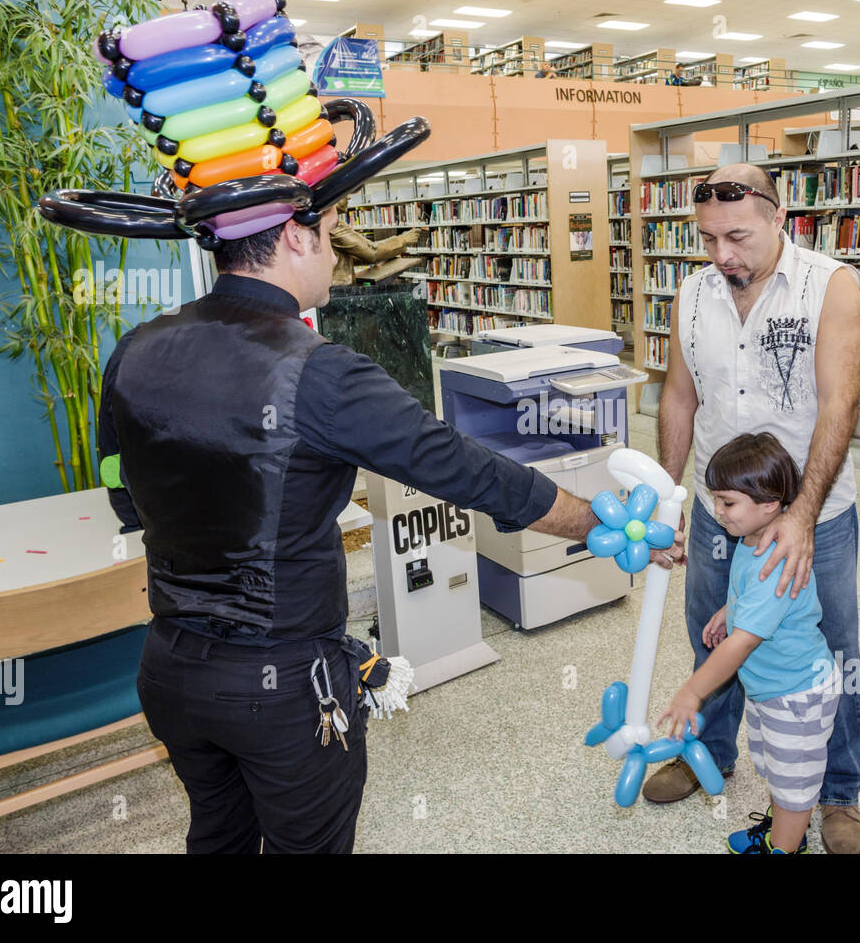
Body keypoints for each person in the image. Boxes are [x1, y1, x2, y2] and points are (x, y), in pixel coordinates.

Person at [99, 207, 662, 853]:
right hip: (282, 688)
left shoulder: (135, 349)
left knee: (219, 834)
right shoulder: (320, 374)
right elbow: (464, 469)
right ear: (293, 237)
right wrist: (592, 519)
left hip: (172, 673)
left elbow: (123, 499)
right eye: (330, 235)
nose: (337, 254)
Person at [648, 163, 860, 855]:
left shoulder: (830, 285)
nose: (723, 255)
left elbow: (842, 401)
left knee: (830, 645)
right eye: (709, 239)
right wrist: (667, 496)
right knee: (713, 630)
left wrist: (801, 515)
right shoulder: (693, 292)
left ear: (780, 218)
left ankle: (838, 787)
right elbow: (681, 398)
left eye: (738, 237)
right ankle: (707, 750)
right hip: (723, 510)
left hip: (814, 508)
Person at [660, 432, 839, 855]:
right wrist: (730, 610)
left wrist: (692, 692)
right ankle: (781, 834)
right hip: (772, 687)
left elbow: (741, 645)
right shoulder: (751, 538)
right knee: (779, 771)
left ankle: (785, 849)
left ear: (769, 504)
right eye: (715, 500)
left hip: (797, 695)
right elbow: (750, 600)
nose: (718, 512)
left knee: (794, 785)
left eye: (727, 502)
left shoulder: (774, 562)